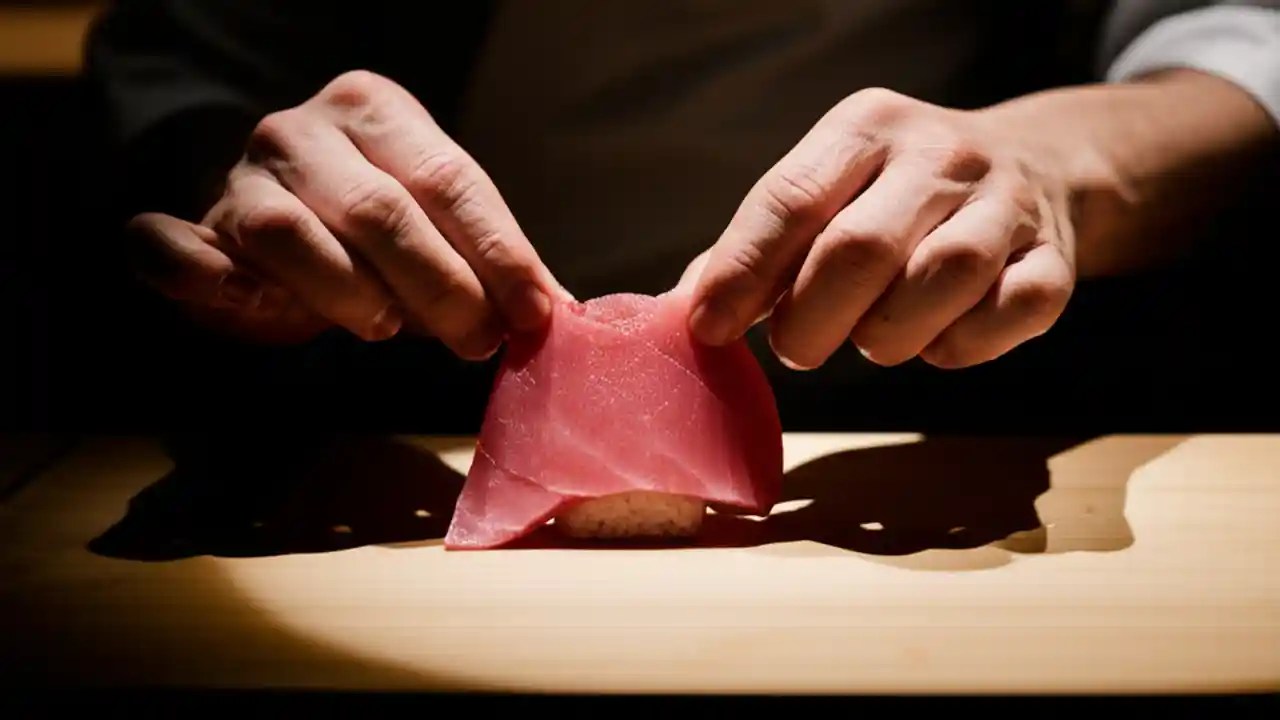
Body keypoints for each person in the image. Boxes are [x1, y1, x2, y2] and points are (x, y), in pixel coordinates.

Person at [78, 1, 1280, 433]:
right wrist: (249, 203)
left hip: (963, 407)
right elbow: (187, 59)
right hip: (397, 412)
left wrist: (1047, 165)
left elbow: (1235, 44)